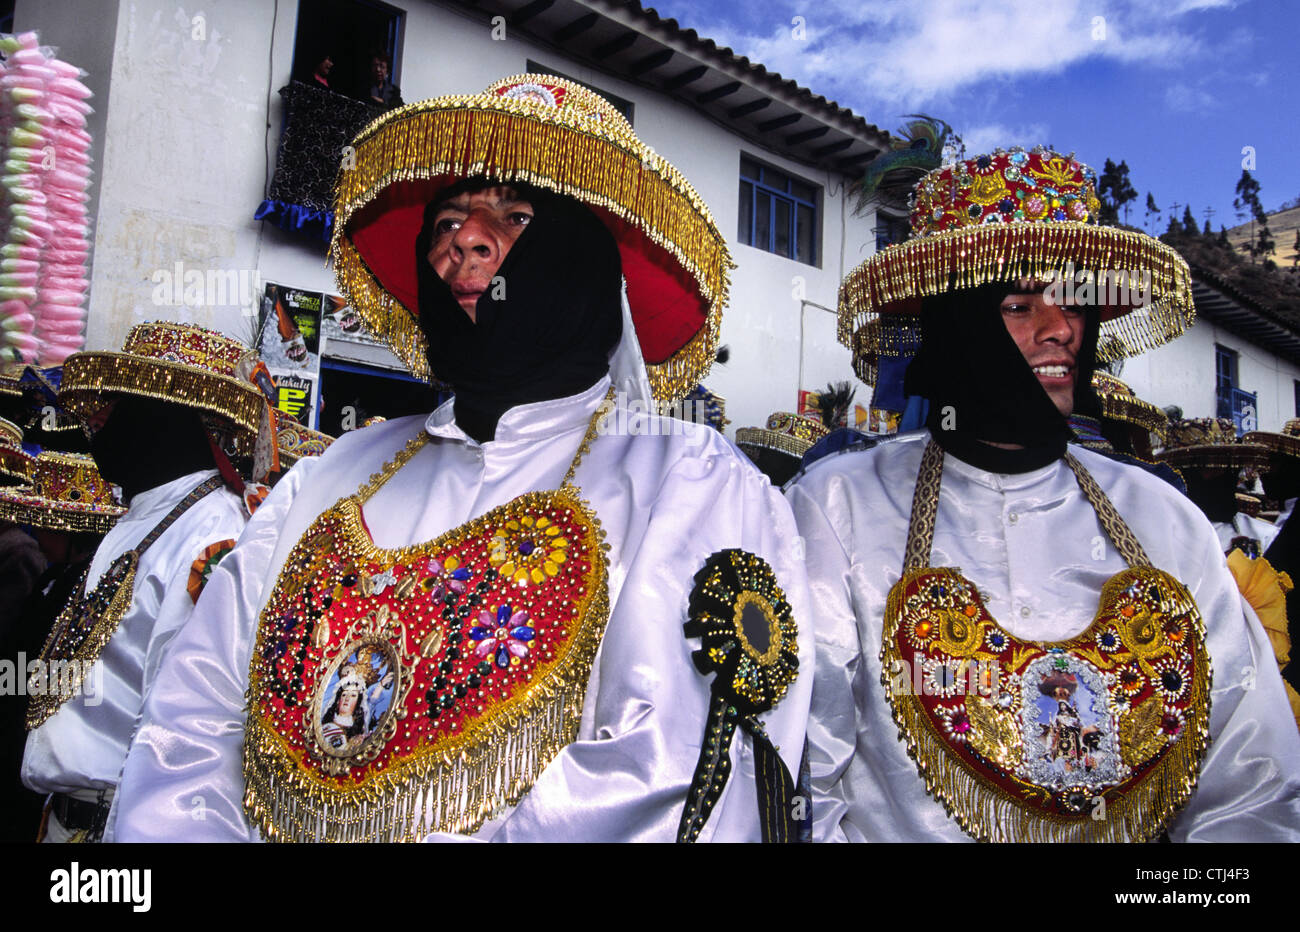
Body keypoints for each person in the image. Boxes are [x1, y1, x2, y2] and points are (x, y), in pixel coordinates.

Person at [112, 75, 812, 843]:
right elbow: (193, 722)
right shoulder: (335, 473)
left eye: (516, 216)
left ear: (586, 261)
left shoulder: (688, 481)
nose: (463, 241)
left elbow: (659, 776)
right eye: (446, 220)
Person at [791, 146, 1300, 842]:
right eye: (1019, 304)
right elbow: (800, 779)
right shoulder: (839, 508)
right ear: (958, 326)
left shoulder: (1165, 522)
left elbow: (1253, 786)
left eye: (1071, 303)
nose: (1059, 328)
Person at [20, 322, 276, 841]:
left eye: (119, 405)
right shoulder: (145, 515)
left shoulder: (214, 535)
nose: (99, 422)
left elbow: (185, 729)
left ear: (164, 416)